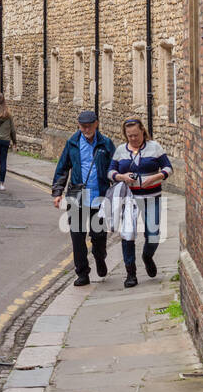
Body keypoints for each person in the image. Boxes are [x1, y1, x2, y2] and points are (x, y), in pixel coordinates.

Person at [52, 110, 116, 288]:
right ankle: (82, 273)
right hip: (78, 197)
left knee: (99, 236)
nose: (86, 129)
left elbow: (116, 166)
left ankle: (100, 257)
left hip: (99, 197)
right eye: (82, 126)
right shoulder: (72, 143)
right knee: (77, 238)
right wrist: (57, 192)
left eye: (89, 126)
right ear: (78, 126)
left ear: (96, 124)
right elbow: (63, 168)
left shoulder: (106, 144)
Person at [108, 118, 173, 288]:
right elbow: (111, 172)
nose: (133, 139)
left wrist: (155, 177)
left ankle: (147, 256)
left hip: (152, 197)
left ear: (143, 131)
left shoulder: (155, 147)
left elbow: (168, 168)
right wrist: (122, 177)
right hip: (129, 199)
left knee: (153, 234)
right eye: (129, 136)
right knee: (127, 235)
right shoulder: (121, 150)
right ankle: (131, 274)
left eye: (136, 135)